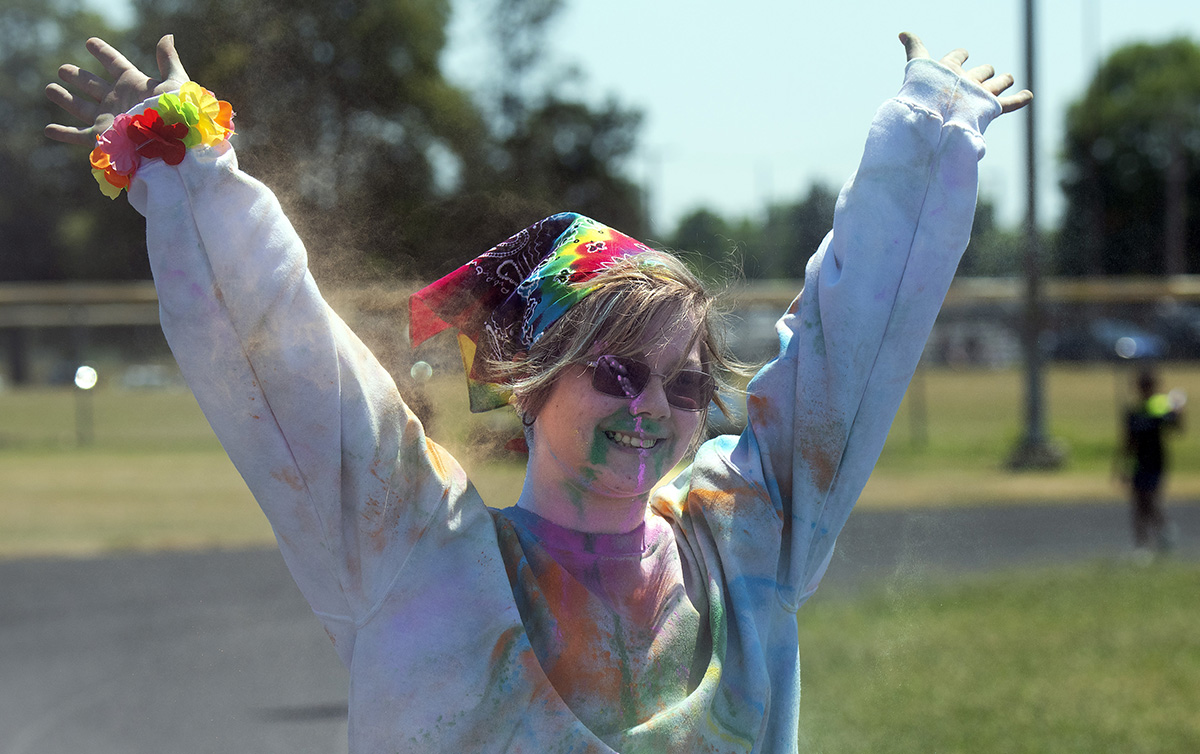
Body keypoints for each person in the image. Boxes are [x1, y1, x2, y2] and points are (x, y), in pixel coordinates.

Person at [45, 31, 1030, 752]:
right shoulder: (418, 555)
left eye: (685, 383)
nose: (654, 407)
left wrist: (928, 137)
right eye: (615, 372)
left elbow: (845, 353)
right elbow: (292, 364)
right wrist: (188, 172)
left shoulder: (745, 540)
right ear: (527, 387)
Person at [1121, 368, 1183, 554]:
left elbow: (1177, 428)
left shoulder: (1160, 408)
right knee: (1138, 504)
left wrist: (1178, 409)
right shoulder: (1134, 412)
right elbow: (1128, 442)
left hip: (1156, 461)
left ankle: (1164, 530)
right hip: (1139, 462)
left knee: (1150, 499)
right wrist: (1122, 467)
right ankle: (1141, 545)